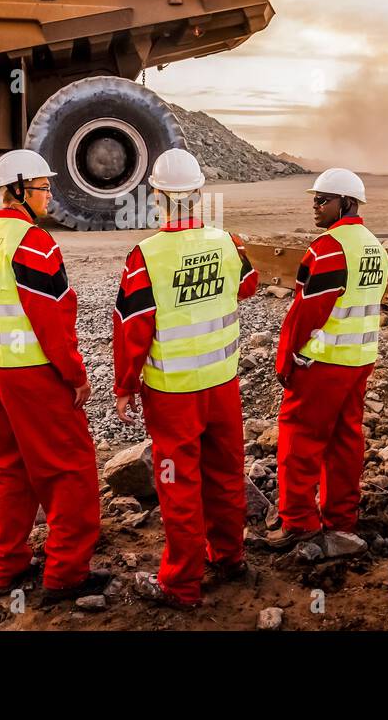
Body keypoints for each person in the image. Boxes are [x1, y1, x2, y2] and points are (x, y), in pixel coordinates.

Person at [112, 148, 259, 609]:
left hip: (174, 393)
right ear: (197, 195)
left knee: (178, 486)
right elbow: (248, 285)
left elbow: (131, 330)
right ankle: (230, 556)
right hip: (222, 385)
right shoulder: (227, 242)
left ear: (156, 196)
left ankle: (180, 583)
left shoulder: (145, 258)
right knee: (225, 473)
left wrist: (125, 387)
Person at [0, 149, 104, 605]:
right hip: (33, 375)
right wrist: (75, 375)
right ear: (21, 189)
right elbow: (53, 318)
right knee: (71, 471)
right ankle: (66, 575)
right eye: (44, 187)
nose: (49, 195)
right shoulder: (33, 242)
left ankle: (6, 568)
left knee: (11, 471)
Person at [267, 168, 386, 550]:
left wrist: (288, 358)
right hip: (359, 360)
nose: (314, 207)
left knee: (300, 438)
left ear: (345, 204)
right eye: (313, 199)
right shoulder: (374, 247)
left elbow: (308, 312)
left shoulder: (330, 248)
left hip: (323, 362)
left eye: (322, 200)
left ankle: (299, 522)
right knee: (345, 440)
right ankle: (340, 520)